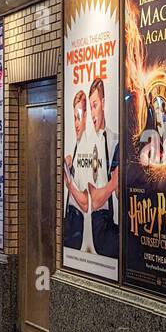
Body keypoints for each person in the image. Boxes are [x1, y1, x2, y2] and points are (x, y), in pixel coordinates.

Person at [86, 77, 120, 258]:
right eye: (90, 106)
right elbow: (96, 200)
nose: (93, 113)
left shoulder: (115, 139)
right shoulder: (87, 145)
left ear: (104, 103)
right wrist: (115, 181)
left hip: (113, 222)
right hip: (97, 227)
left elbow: (118, 193)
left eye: (95, 105)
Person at [63, 91, 89, 250]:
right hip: (70, 218)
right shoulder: (77, 146)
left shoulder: (89, 147)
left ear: (86, 116)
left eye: (79, 116)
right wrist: (69, 168)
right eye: (74, 118)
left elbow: (86, 202)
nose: (76, 123)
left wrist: (70, 184)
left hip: (79, 222)